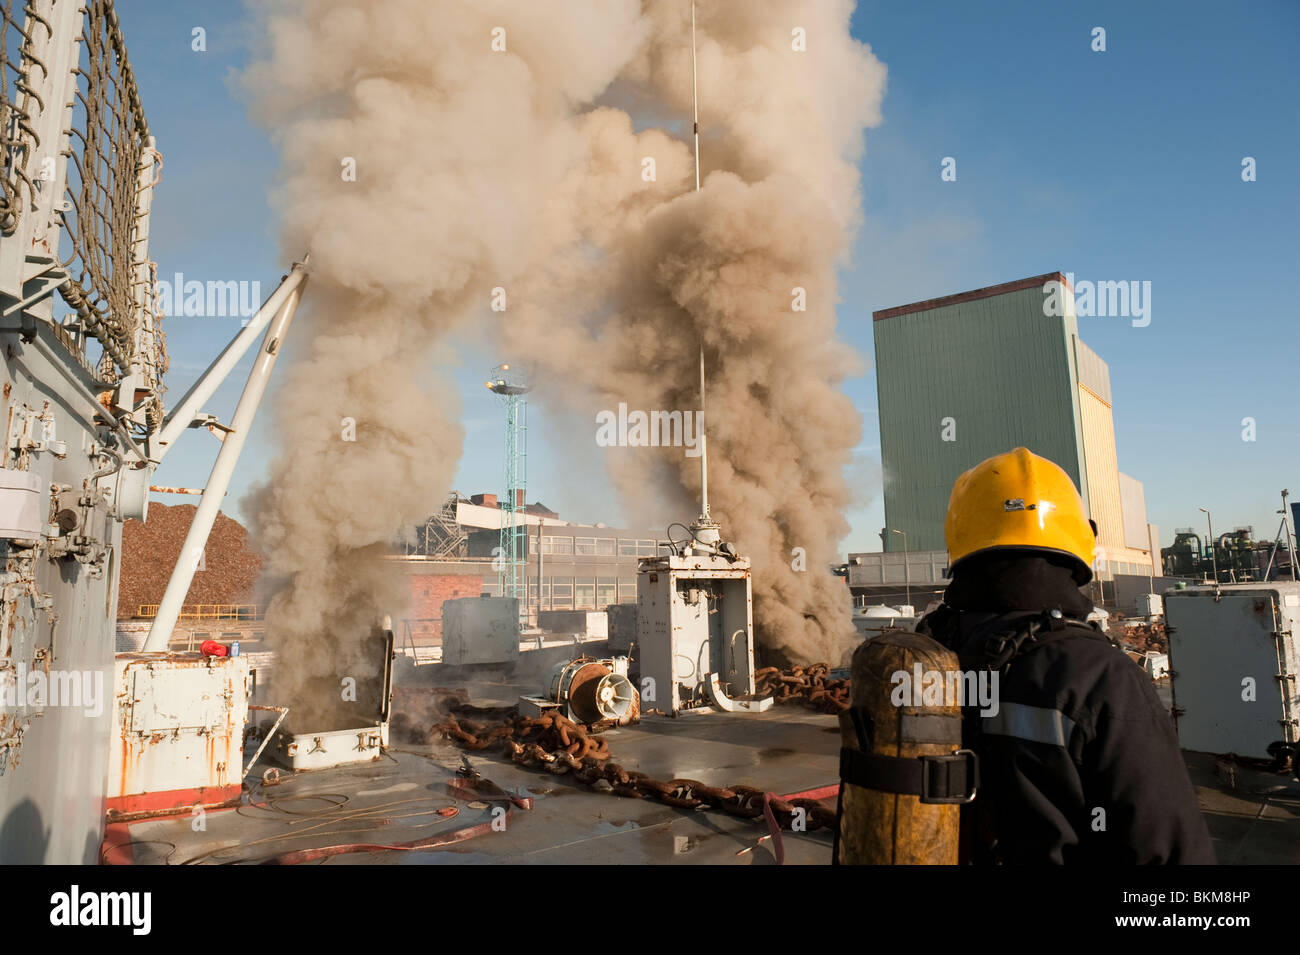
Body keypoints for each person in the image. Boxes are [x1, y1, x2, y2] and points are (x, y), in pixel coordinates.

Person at [916, 447, 1215, 864]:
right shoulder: (1098, 675)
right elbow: (1167, 852)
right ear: (1080, 537)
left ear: (958, 536)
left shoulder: (922, 658)